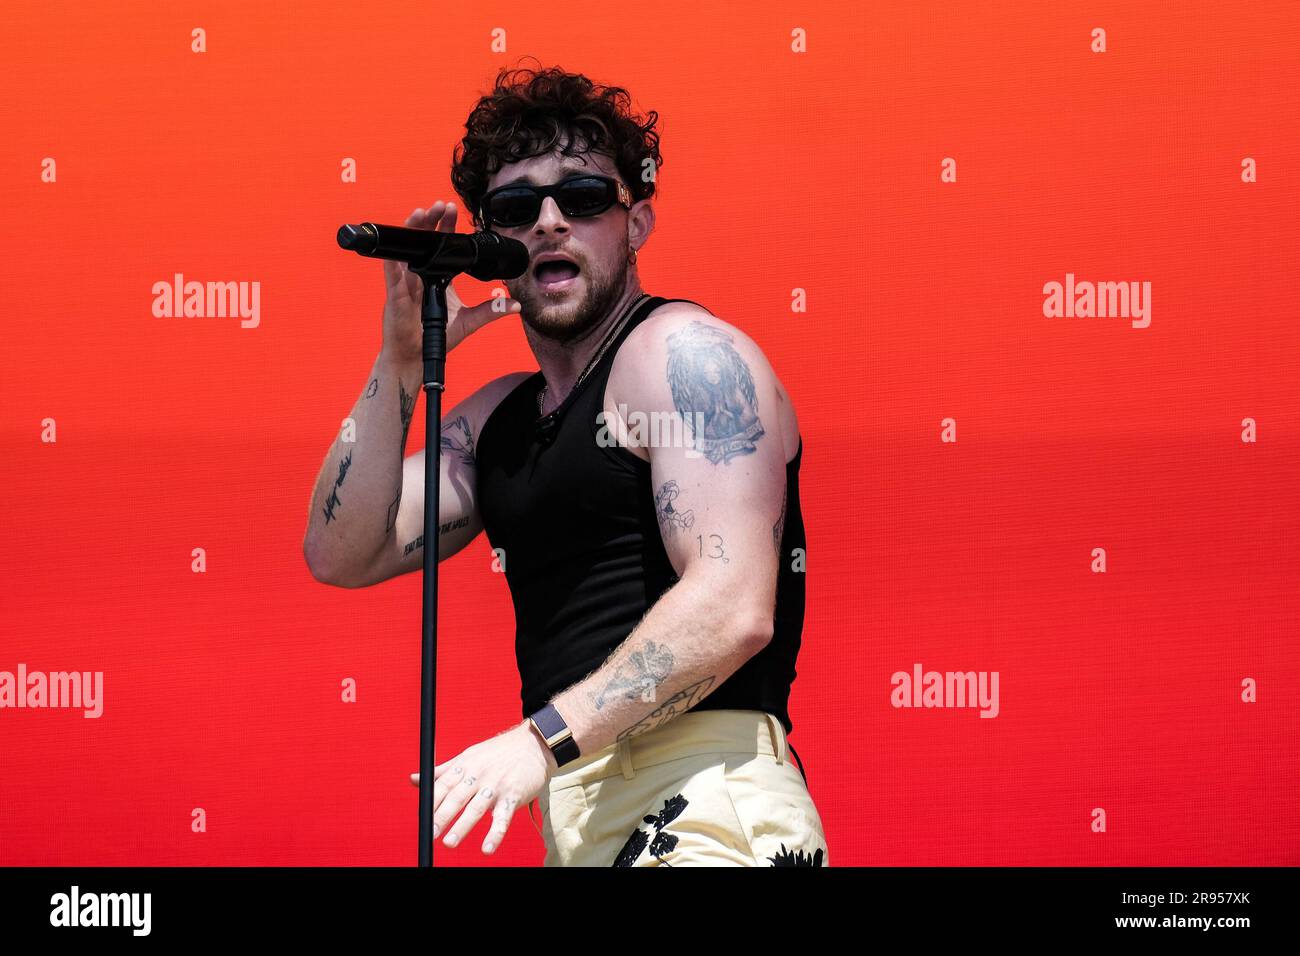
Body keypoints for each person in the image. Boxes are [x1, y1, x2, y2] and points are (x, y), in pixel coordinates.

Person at [303, 62, 828, 867]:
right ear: (490, 244)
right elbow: (342, 552)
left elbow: (734, 606)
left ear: (637, 223)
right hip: (577, 809)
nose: (548, 223)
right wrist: (399, 366)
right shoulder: (499, 420)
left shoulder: (683, 354)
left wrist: (540, 739)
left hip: (709, 792)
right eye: (515, 208)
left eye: (581, 199)